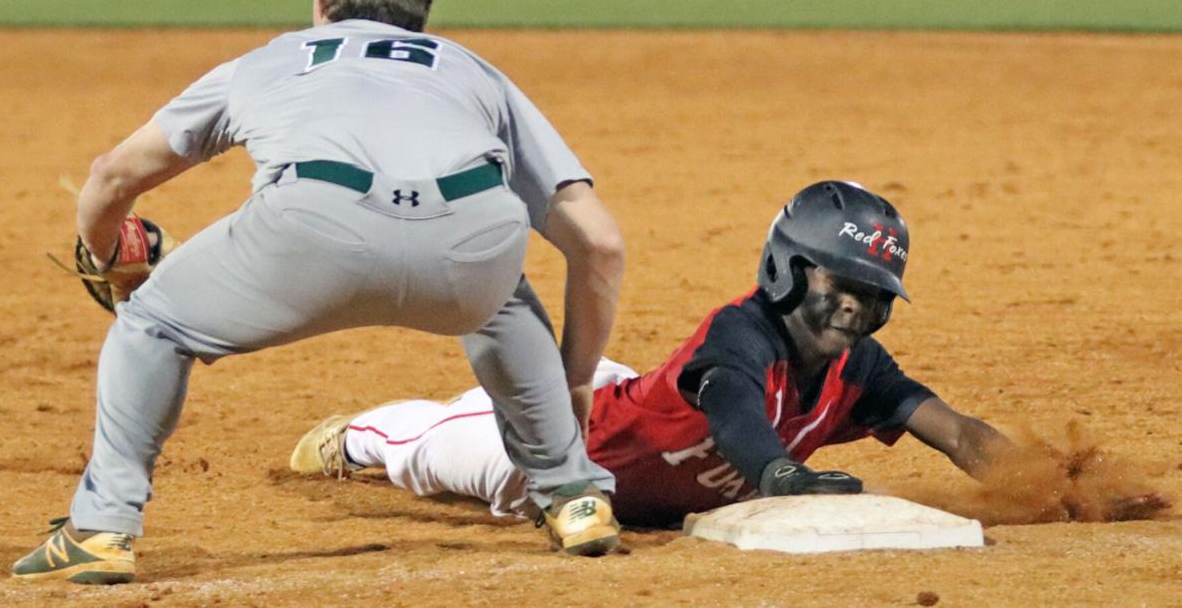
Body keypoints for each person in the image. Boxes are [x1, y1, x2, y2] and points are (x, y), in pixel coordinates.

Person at [14, 0, 624, 584]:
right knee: (502, 297)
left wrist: (107, 254)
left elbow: (112, 175)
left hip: (312, 231)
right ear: (420, 3)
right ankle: (575, 497)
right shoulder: (473, 72)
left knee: (151, 325)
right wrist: (573, 382)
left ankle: (101, 527)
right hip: (470, 243)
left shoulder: (272, 59)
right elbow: (598, 244)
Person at [291, 181, 1011, 526]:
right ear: (787, 270)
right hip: (553, 451)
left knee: (623, 387)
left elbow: (952, 430)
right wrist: (784, 477)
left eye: (875, 293)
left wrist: (1053, 480)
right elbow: (735, 414)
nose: (857, 306)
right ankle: (355, 436)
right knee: (424, 451)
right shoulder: (740, 334)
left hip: (633, 406)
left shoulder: (859, 370)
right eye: (841, 282)